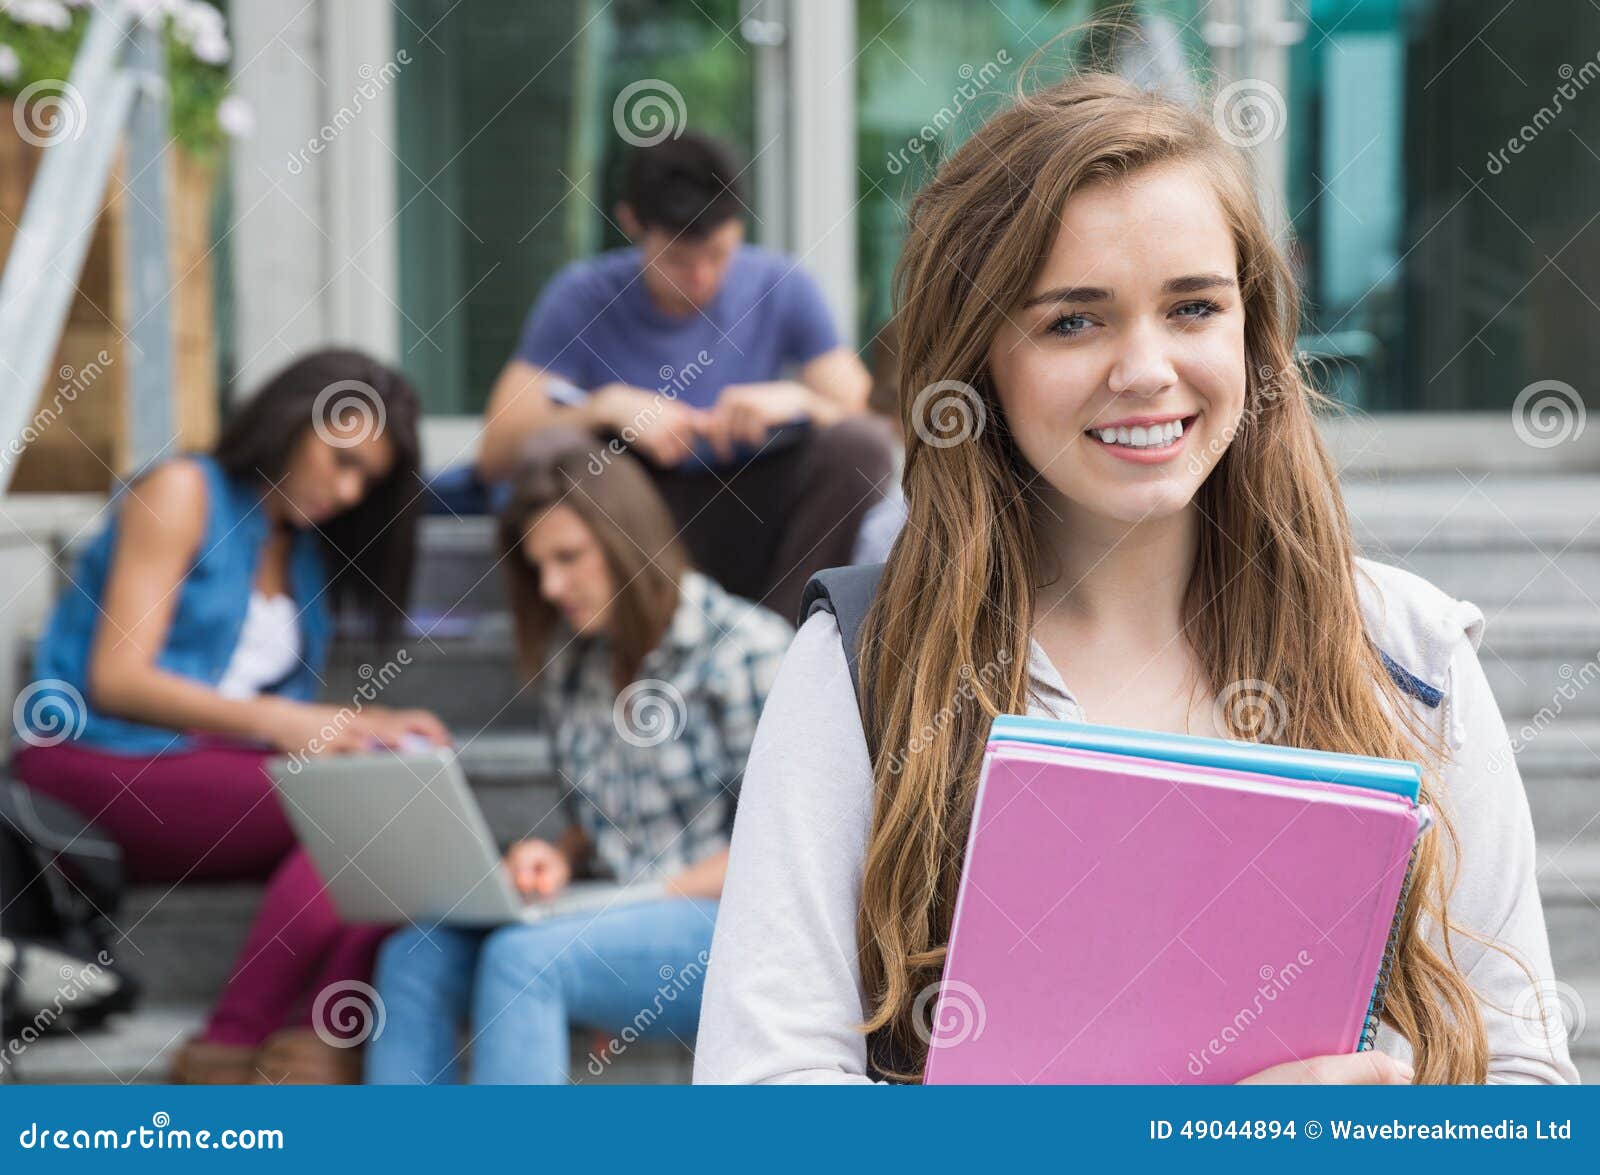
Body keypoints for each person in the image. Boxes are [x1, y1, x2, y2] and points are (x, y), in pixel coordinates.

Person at [692, 72, 1579, 1085]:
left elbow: (1526, 1082)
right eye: (1074, 320)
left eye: (1193, 307)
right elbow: (761, 1096)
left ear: (1249, 331)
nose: (1147, 368)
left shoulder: (1407, 652)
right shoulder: (861, 668)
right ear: (978, 362)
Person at [10, 349, 450, 1084]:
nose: (344, 490)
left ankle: (310, 1041)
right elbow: (116, 678)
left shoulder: (302, 551)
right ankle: (237, 1042)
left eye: (364, 481)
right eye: (339, 459)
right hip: (95, 761)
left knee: (393, 804)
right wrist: (280, 722)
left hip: (200, 775)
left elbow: (258, 707)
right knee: (374, 817)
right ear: (290, 419)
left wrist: (370, 724)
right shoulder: (184, 490)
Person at [366, 438, 792, 1084]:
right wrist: (561, 856)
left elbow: (782, 851)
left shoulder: (748, 651)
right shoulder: (577, 661)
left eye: (569, 558)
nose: (551, 585)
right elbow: (602, 826)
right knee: (413, 954)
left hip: (734, 927)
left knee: (524, 959)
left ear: (628, 540)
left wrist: (618, 915)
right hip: (613, 907)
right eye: (538, 565)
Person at [475, 131, 896, 620]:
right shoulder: (580, 297)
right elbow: (496, 454)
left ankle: (786, 645)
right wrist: (603, 408)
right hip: (641, 522)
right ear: (632, 223)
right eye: (678, 260)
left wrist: (801, 402)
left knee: (855, 447)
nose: (701, 279)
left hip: (755, 519)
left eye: (718, 255)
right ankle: (649, 637)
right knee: (555, 451)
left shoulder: (783, 287)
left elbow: (879, 427)